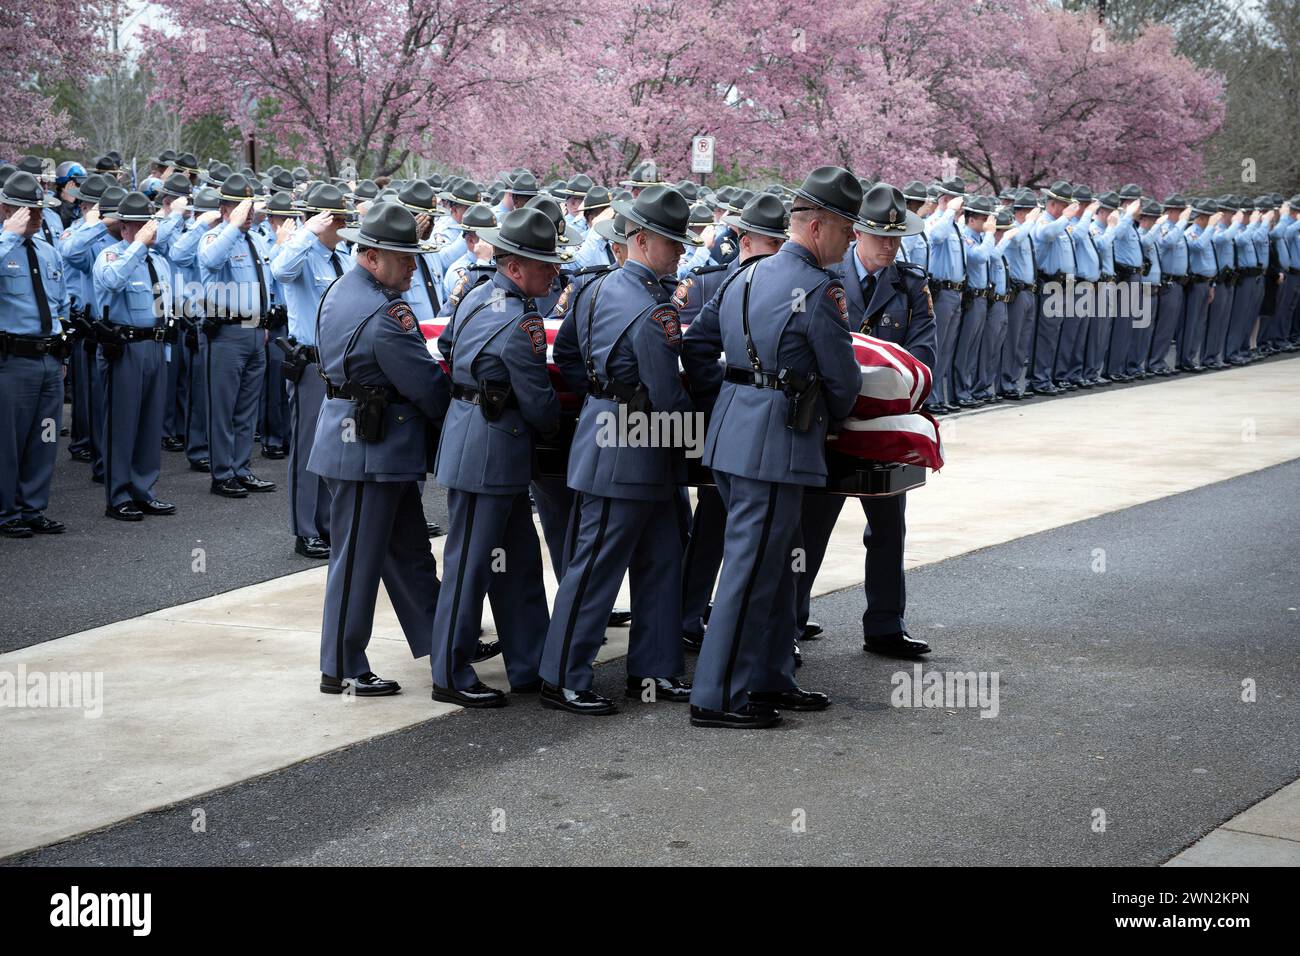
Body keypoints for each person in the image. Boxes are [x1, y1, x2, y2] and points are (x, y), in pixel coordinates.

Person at [681, 166, 863, 729]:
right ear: (818, 226)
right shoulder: (816, 289)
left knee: (777, 564)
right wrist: (790, 402)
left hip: (736, 436)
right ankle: (718, 697)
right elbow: (843, 381)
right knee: (752, 567)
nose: (852, 240)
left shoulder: (743, 276)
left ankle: (770, 676)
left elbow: (697, 347)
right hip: (778, 443)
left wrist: (738, 395)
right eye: (846, 229)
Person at [537, 185, 699, 715]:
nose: (680, 252)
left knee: (660, 558)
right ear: (644, 240)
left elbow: (572, 357)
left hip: (616, 436)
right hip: (629, 449)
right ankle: (562, 676)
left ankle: (653, 670)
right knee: (597, 567)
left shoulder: (598, 289)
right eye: (673, 243)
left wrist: (606, 398)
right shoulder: (654, 313)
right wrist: (701, 443)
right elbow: (669, 397)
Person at [307, 202, 451, 696]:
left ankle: (442, 639)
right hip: (368, 450)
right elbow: (428, 387)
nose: (413, 264)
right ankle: (341, 666)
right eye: (403, 257)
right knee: (357, 563)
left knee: (407, 549)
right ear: (370, 257)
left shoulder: (342, 290)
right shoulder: (385, 313)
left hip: (365, 442)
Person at [428, 208, 568, 708]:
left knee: (519, 560)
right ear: (514, 267)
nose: (553, 273)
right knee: (471, 564)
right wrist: (560, 426)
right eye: (544, 265)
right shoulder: (522, 322)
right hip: (492, 448)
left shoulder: (475, 294)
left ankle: (528, 662)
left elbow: (445, 344)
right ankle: (449, 671)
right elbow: (537, 402)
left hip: (480, 440)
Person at [672, 193, 788, 652]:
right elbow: (696, 346)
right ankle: (694, 615)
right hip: (729, 426)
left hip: (765, 428)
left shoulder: (796, 284)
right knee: (716, 522)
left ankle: (765, 625)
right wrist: (725, 396)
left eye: (782, 242)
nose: (778, 252)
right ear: (743, 240)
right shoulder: (717, 283)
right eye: (769, 242)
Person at [270, 183, 353, 560]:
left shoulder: (343, 257)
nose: (344, 225)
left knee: (332, 449)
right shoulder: (303, 255)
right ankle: (305, 530)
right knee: (307, 447)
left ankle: (325, 523)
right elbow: (280, 269)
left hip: (340, 363)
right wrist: (306, 232)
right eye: (338, 219)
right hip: (311, 362)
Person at [92, 191, 178, 521]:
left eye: (151, 225)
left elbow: (166, 308)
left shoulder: (158, 261)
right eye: (142, 225)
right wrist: (137, 246)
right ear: (126, 228)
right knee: (122, 423)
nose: (149, 231)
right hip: (125, 348)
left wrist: (166, 348)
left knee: (149, 422)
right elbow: (111, 282)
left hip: (155, 346)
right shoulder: (111, 256)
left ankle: (144, 490)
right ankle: (118, 495)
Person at [196, 173, 278, 499]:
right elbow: (210, 260)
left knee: (248, 408)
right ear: (226, 208)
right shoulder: (214, 237)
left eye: (251, 207)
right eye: (242, 207)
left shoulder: (255, 239)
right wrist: (232, 226)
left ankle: (242, 468)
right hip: (227, 331)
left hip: (256, 330)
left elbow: (264, 283)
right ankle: (222, 473)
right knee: (223, 408)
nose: (249, 213)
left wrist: (264, 322)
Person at [0, 172, 69, 538]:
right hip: (13, 360)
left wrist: (62, 354)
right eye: (29, 212)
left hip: (48, 357)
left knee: (44, 437)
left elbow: (59, 304)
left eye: (41, 213)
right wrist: (8, 235)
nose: (37, 218)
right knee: (8, 441)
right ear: (7, 209)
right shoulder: (3, 245)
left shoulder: (47, 251)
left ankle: (33, 507)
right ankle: (5, 510)